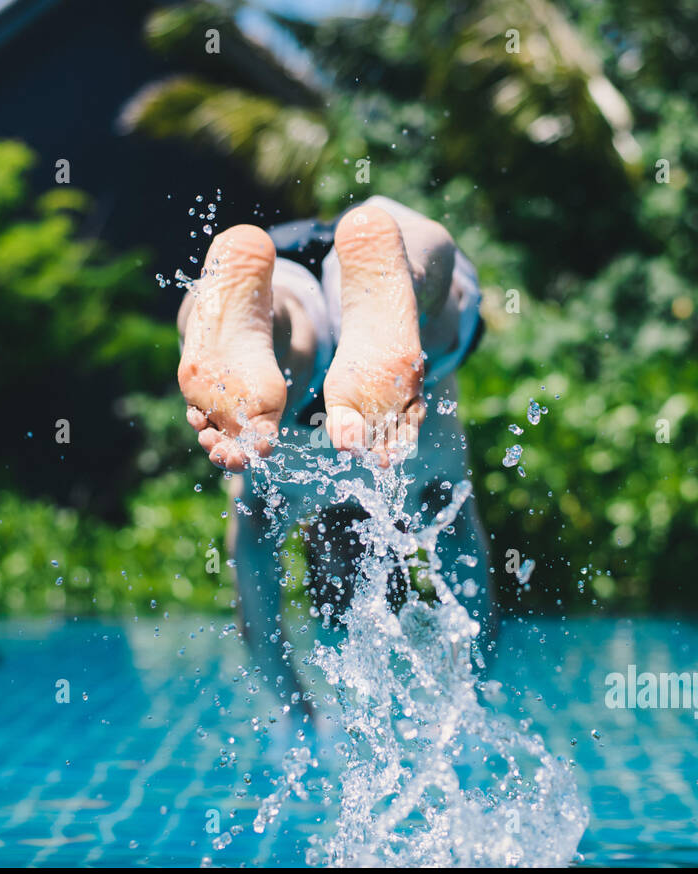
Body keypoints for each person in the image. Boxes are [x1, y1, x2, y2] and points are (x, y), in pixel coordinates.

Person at [175, 196, 493, 717]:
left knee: (437, 318)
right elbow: (253, 576)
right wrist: (471, 686)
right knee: (297, 352)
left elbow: (468, 566)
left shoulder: (417, 464)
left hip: (303, 273)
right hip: (288, 279)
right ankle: (245, 316)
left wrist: (296, 706)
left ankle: (403, 280)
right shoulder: (283, 475)